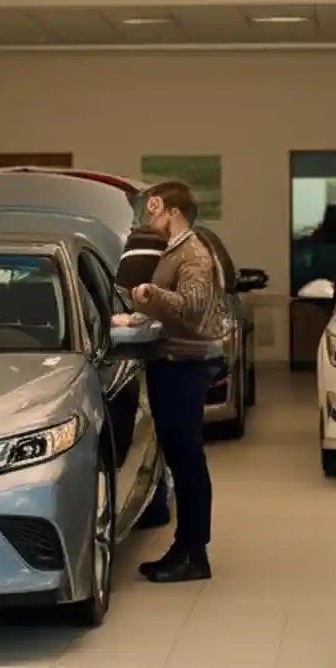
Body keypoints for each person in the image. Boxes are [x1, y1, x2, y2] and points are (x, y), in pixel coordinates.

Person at [114, 181, 231, 583]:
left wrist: (148, 293)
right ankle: (186, 548)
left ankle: (192, 553)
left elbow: (193, 307)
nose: (150, 220)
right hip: (175, 360)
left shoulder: (192, 253)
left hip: (184, 364)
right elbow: (174, 309)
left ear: (168, 209)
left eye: (152, 212)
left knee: (187, 460)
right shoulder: (177, 251)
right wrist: (138, 318)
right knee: (182, 458)